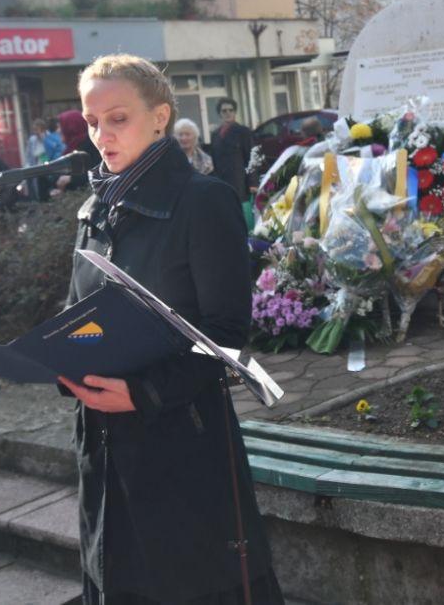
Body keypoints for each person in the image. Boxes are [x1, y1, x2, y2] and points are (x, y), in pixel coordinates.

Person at [58, 54, 282, 604]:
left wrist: (142, 392)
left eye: (117, 118)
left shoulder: (202, 201)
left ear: (160, 116)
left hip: (182, 439)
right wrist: (59, 363)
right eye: (91, 122)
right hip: (104, 445)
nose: (101, 135)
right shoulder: (95, 209)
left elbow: (227, 332)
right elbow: (75, 315)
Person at [209, 97, 253, 202]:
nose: (228, 113)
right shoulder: (215, 134)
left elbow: (252, 158)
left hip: (238, 182)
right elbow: (213, 160)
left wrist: (252, 183)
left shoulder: (243, 132)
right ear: (220, 114)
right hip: (221, 181)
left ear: (235, 112)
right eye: (224, 111)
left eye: (231, 110)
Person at [52, 110, 102, 195]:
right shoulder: (71, 149)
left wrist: (71, 179)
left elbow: (101, 174)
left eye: (61, 126)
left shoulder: (92, 147)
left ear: (71, 127)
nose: (58, 130)